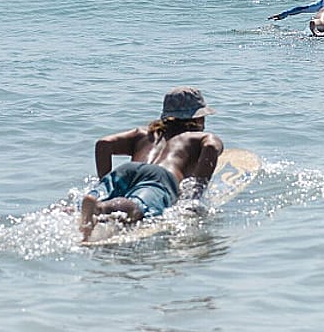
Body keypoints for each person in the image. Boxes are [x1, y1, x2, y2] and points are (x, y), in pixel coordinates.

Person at [79, 86, 224, 242]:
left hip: (126, 171)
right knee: (138, 207)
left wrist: (104, 178)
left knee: (93, 197)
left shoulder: (144, 133)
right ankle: (100, 209)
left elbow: (104, 143)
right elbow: (211, 147)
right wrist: (195, 195)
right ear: (199, 118)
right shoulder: (199, 137)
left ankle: (81, 207)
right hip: (161, 177)